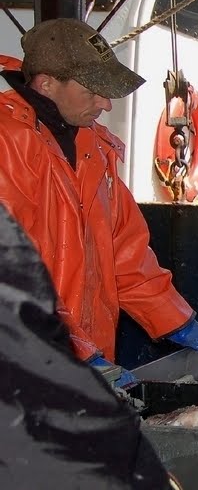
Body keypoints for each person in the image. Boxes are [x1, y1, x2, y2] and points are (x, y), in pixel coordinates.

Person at [0, 18, 198, 385]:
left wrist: (180, 322)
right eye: (92, 90)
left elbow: (125, 253)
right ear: (46, 85)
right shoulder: (7, 144)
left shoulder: (94, 146)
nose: (106, 103)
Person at [0, 203, 174, 488]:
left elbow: (126, 251)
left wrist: (172, 314)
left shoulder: (99, 158)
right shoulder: (13, 159)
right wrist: (75, 350)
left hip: (88, 361)